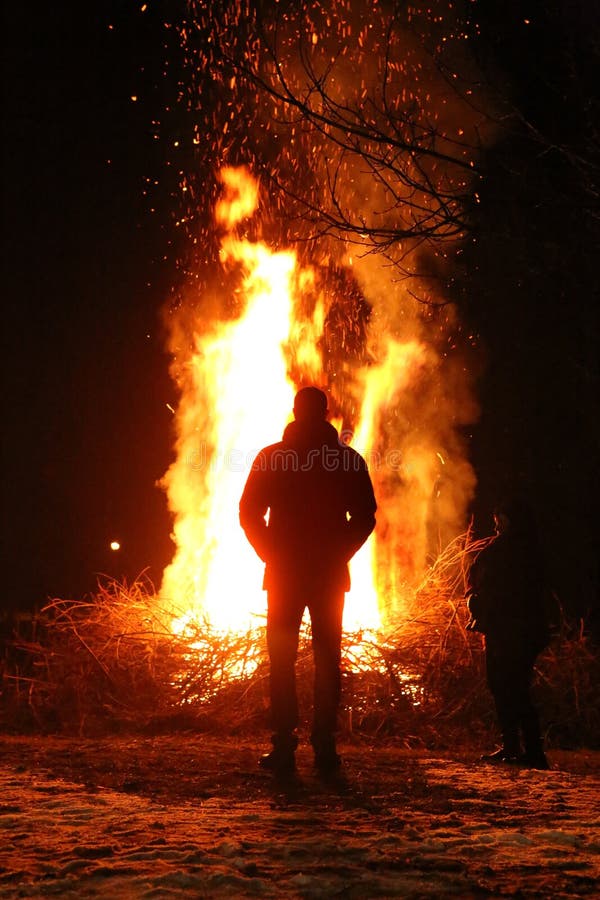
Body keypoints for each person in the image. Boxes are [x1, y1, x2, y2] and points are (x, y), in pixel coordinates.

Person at [239, 386, 377, 775]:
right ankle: (324, 746)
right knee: (326, 659)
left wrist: (272, 553)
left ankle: (285, 744)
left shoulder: (273, 458)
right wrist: (338, 553)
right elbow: (365, 516)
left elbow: (249, 513)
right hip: (326, 574)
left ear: (296, 411)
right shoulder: (345, 460)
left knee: (283, 659)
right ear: (326, 412)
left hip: (286, 575)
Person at [467, 498, 552, 769]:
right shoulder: (505, 548)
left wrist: (484, 602)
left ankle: (534, 751)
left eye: (501, 520)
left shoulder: (519, 551)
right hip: (500, 626)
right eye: (496, 521)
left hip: (516, 629)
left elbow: (510, 590)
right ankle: (512, 746)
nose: (497, 526)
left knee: (514, 687)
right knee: (500, 685)